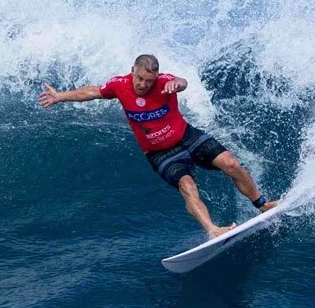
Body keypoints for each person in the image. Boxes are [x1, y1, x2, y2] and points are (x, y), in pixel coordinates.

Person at [39, 54, 278, 238]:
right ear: (132, 71)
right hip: (159, 152)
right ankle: (212, 229)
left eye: (149, 80)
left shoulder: (165, 83)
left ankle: (262, 204)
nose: (143, 84)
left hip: (187, 135)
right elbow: (92, 92)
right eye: (140, 78)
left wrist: (178, 83)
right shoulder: (119, 85)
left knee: (231, 164)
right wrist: (60, 96)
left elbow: (181, 82)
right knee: (186, 184)